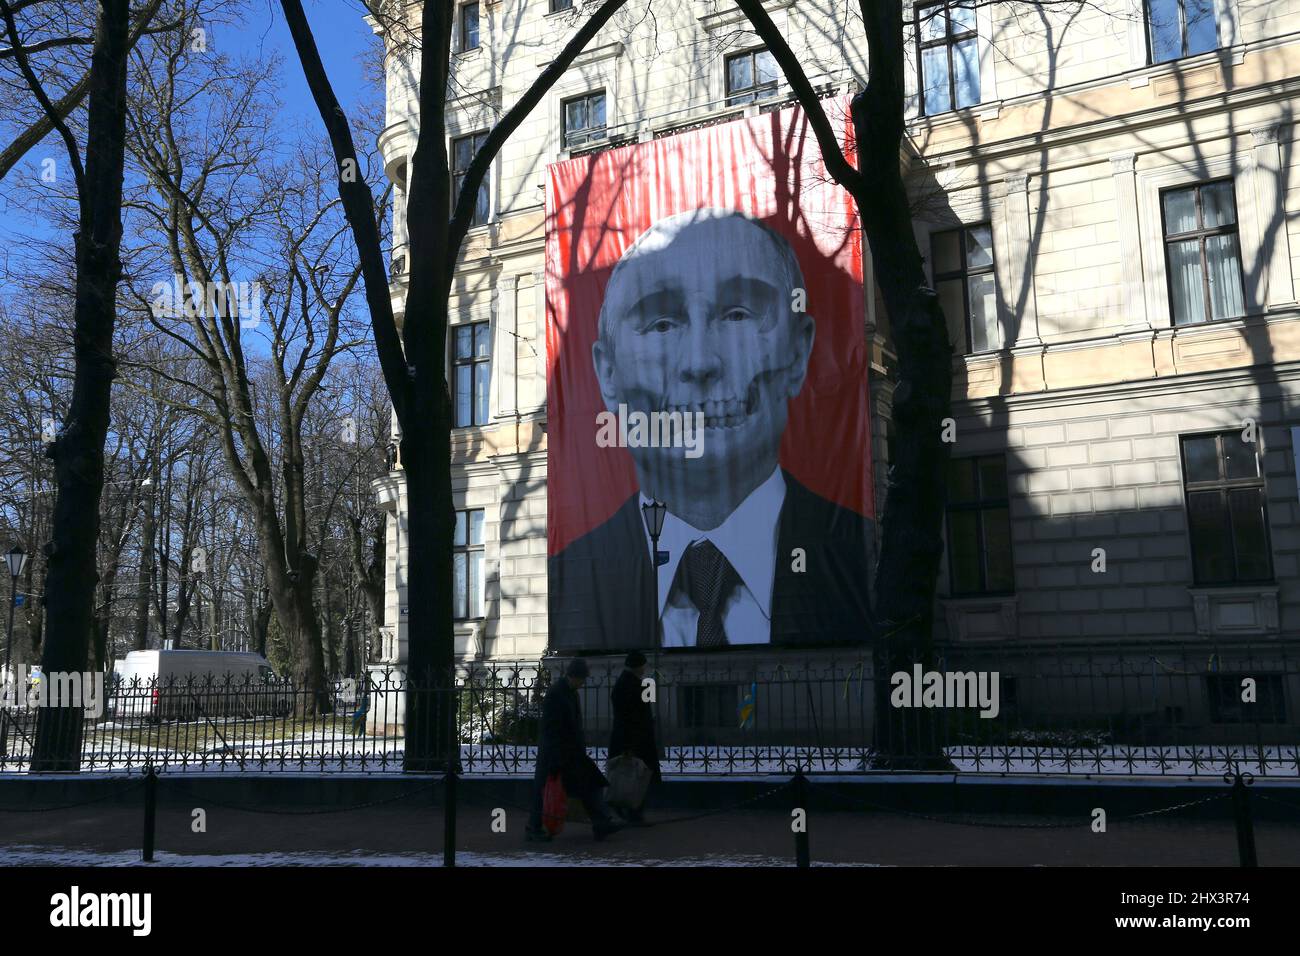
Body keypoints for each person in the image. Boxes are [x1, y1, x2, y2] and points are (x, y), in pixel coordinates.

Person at [549, 207, 872, 650]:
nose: (700, 362)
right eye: (661, 324)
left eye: (738, 315)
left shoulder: (859, 552)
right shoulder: (573, 573)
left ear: (798, 352)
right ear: (608, 374)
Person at [526, 658, 623, 842]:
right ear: (574, 676)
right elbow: (551, 729)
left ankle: (601, 822)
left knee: (588, 784)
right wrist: (555, 757)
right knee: (546, 789)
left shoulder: (570, 692)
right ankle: (533, 827)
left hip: (570, 753)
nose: (583, 682)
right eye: (582, 678)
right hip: (557, 753)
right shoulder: (557, 694)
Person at [608, 650, 660, 824]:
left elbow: (648, 706)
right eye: (644, 664)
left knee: (638, 777)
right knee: (637, 778)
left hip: (636, 738)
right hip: (636, 740)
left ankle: (633, 812)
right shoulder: (628, 685)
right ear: (638, 666)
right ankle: (633, 812)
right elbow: (632, 716)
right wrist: (628, 745)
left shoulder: (632, 683)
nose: (645, 668)